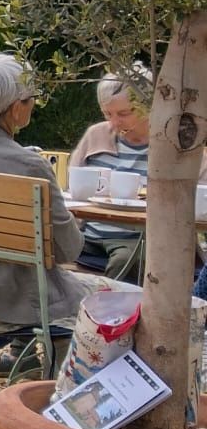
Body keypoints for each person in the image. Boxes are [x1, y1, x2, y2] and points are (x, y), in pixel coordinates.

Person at [0, 54, 122, 334]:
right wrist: (73, 221)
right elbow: (68, 250)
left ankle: (33, 366)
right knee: (130, 299)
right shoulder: (30, 165)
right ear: (16, 108)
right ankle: (75, 376)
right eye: (31, 98)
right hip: (14, 303)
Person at [67, 67, 207, 276]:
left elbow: (199, 205)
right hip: (89, 236)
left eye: (124, 113)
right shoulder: (95, 135)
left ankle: (109, 308)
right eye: (107, 113)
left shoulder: (179, 145)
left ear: (150, 106)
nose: (114, 122)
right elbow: (72, 189)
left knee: (128, 260)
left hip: (140, 240)